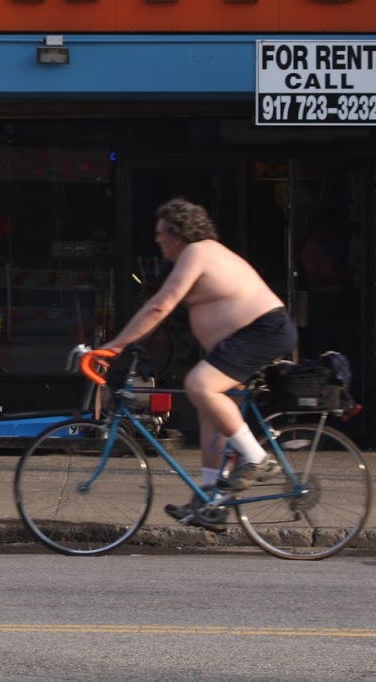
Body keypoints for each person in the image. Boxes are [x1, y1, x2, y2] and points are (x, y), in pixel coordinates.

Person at [100, 198, 295, 527]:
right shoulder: (194, 257)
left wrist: (117, 345)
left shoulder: (198, 251)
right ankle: (210, 500)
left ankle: (258, 459)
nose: (158, 239)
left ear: (179, 233)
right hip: (241, 340)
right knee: (210, 410)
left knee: (198, 385)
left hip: (261, 331)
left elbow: (161, 306)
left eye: (162, 233)